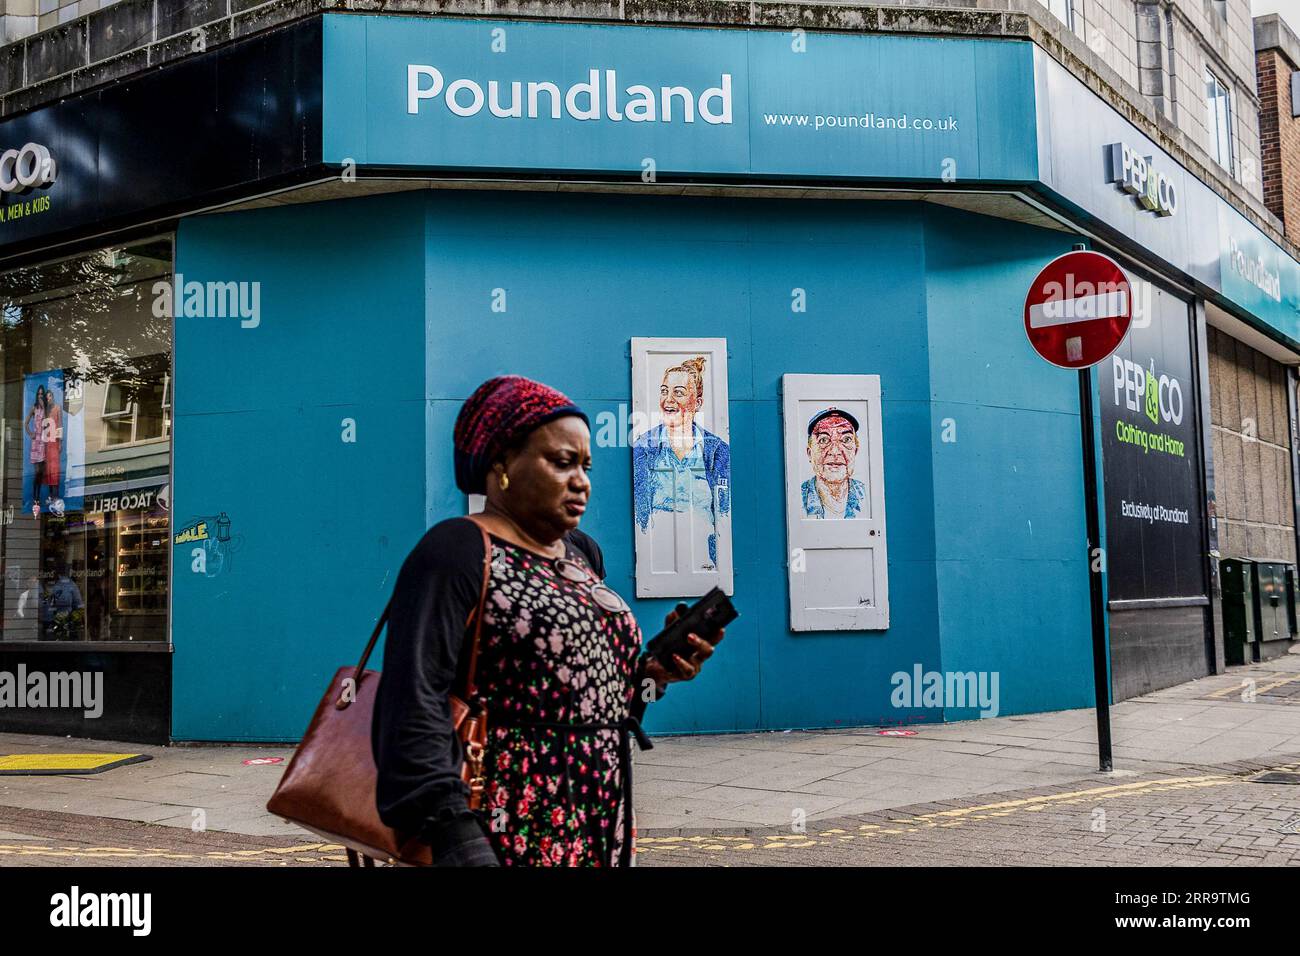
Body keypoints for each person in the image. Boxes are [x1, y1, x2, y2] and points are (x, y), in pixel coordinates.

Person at [372, 375, 722, 867]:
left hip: (600, 820)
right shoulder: (458, 550)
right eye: (561, 462)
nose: (581, 480)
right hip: (504, 827)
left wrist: (653, 677)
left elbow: (596, 696)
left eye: (586, 466)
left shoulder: (582, 555)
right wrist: (457, 839)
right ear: (500, 464)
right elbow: (413, 701)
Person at [632, 356, 731, 569]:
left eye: (678, 392)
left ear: (698, 402)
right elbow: (640, 515)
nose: (668, 400)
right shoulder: (644, 447)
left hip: (706, 561)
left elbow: (724, 514)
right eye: (664, 391)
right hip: (657, 558)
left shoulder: (716, 450)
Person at [801, 407, 867, 520]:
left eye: (846, 440)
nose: (835, 451)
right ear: (809, 453)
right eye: (823, 440)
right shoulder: (799, 498)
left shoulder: (867, 495)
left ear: (855, 451)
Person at [24, 384, 47, 515]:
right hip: (36, 440)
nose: (39, 396)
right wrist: (30, 433)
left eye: (41, 394)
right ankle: (35, 498)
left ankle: (38, 497)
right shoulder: (34, 408)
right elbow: (26, 423)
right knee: (36, 471)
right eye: (38, 394)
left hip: (44, 440)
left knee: (41, 472)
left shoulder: (45, 408)